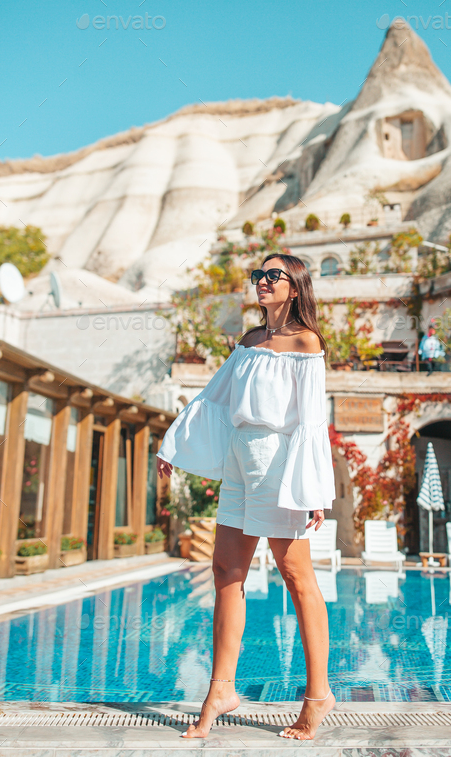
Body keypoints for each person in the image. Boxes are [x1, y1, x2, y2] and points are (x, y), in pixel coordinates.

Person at [157, 253, 336, 740]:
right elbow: (213, 397)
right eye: (258, 275)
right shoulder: (251, 341)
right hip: (240, 464)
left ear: (294, 287)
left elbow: (310, 420)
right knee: (224, 572)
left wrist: (312, 488)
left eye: (273, 276)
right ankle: (221, 689)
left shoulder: (306, 342)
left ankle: (318, 695)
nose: (262, 281)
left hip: (277, 466)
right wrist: (173, 445)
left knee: (297, 577)